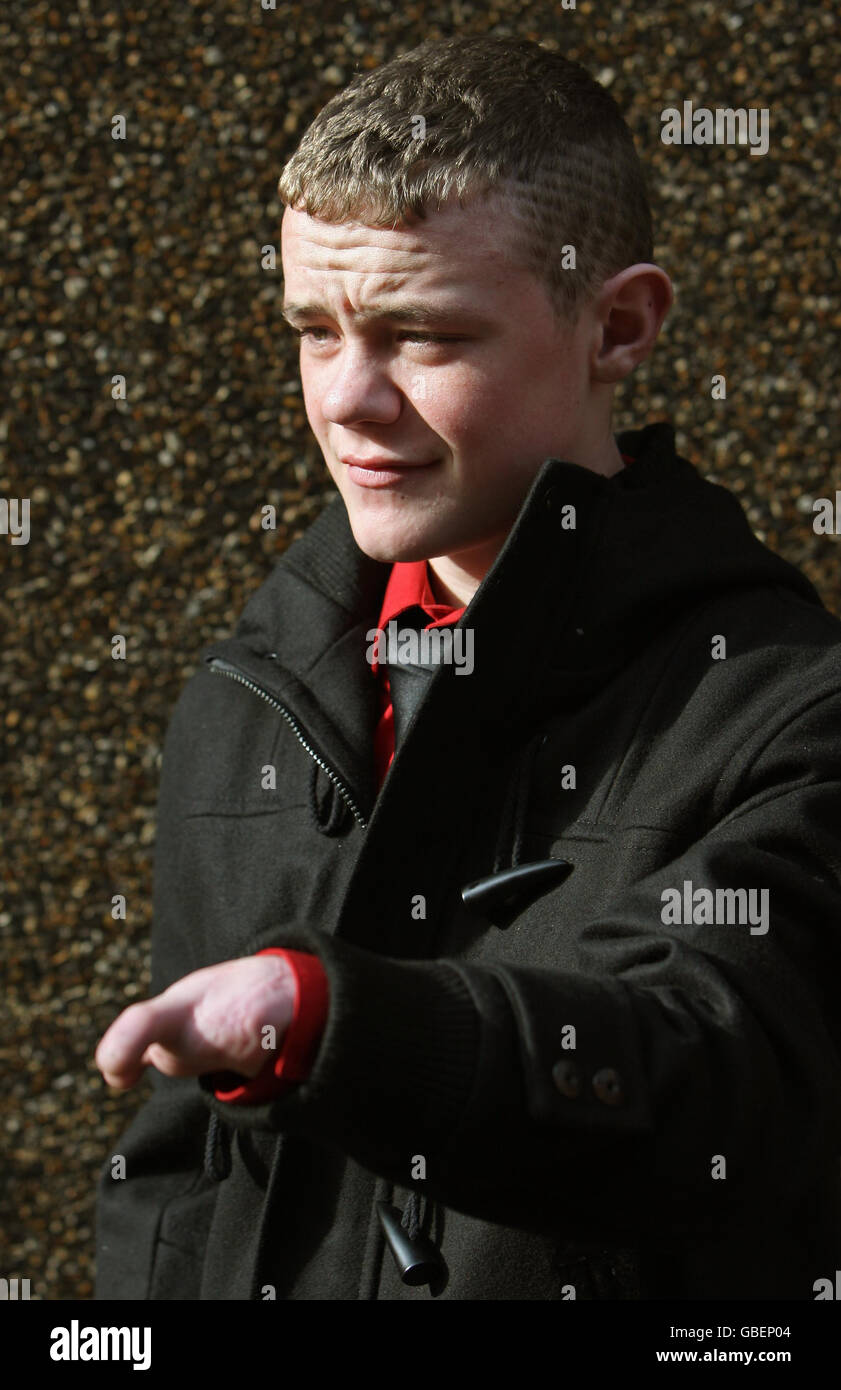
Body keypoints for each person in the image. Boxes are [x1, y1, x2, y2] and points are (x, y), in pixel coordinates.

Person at [94, 34, 841, 1301]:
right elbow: (174, 1180)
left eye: (421, 336)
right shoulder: (246, 699)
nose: (348, 399)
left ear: (620, 325)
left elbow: (713, 1083)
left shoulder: (788, 713)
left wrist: (333, 1022)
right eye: (312, 329)